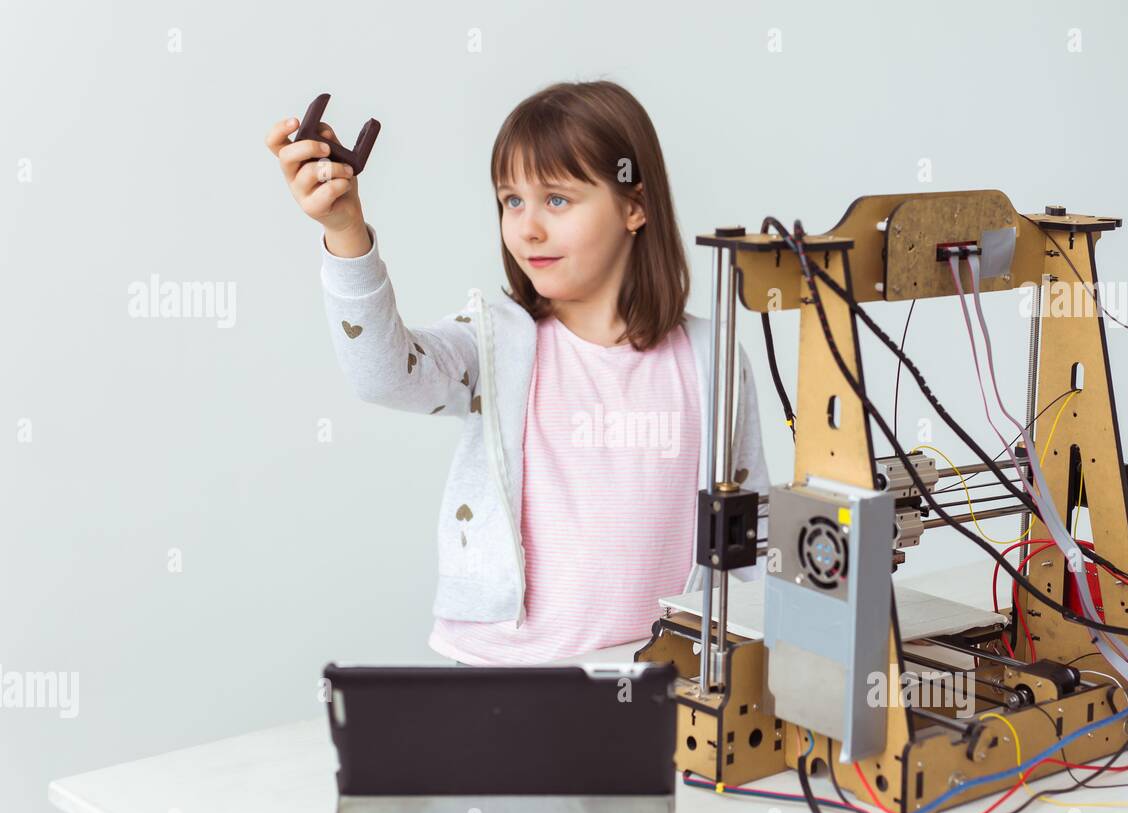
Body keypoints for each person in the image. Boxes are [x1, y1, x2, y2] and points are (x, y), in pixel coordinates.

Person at [265, 80, 769, 665]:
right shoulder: (495, 339)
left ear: (634, 205)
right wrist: (346, 231)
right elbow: (384, 374)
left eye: (557, 200)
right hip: (502, 673)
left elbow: (749, 532)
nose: (527, 228)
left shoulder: (711, 356)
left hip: (662, 676)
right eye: (511, 200)